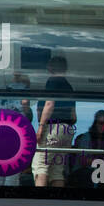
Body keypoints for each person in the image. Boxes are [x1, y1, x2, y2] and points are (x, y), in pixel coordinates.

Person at [33, 55, 76, 188]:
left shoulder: (52, 82)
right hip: (67, 130)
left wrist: (40, 126)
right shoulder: (69, 86)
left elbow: (49, 104)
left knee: (41, 165)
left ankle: (39, 203)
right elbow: (74, 117)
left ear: (50, 67)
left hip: (53, 128)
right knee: (57, 171)